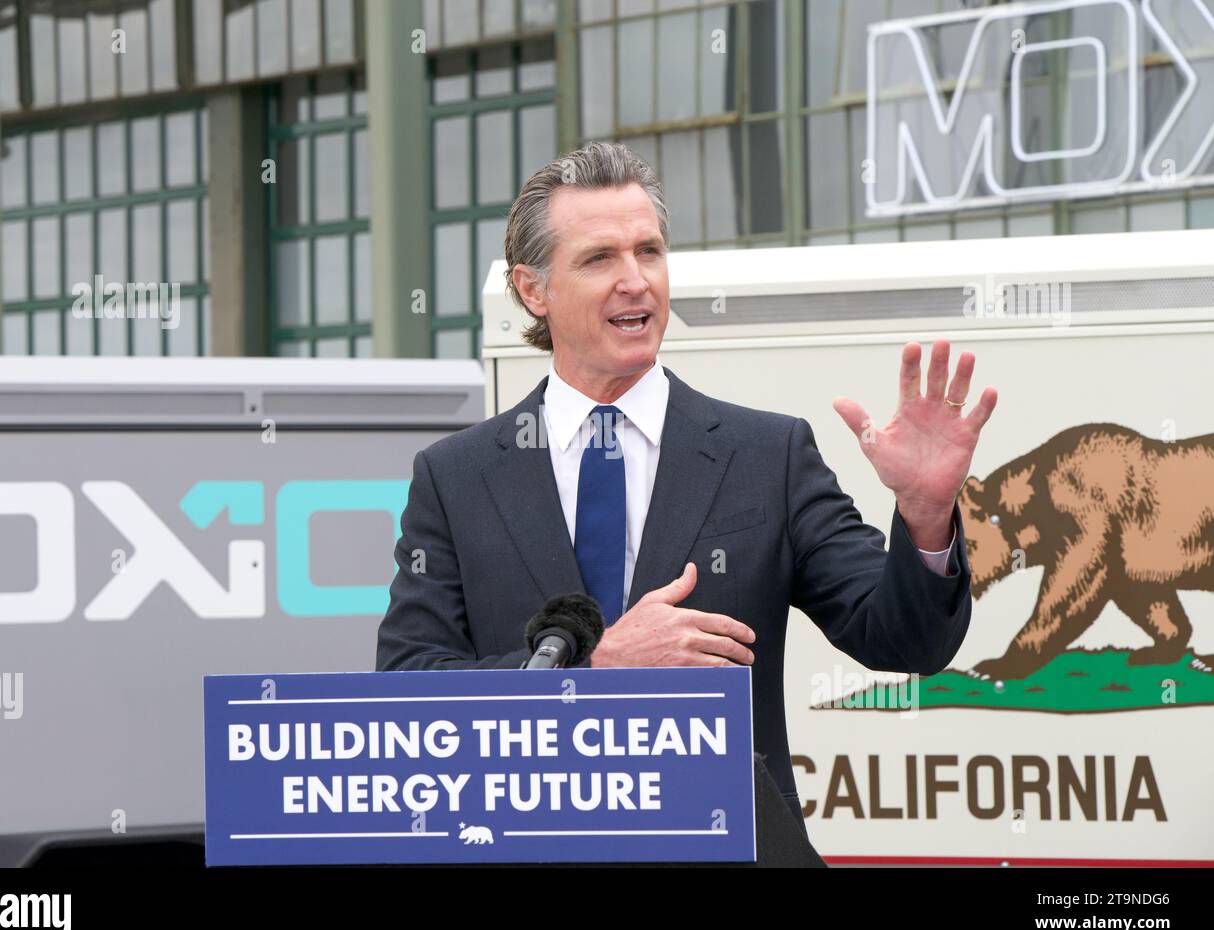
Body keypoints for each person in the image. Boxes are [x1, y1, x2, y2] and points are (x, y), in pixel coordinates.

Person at [376, 141, 997, 838]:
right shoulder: (457, 476)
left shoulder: (767, 455)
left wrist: (924, 516)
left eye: (649, 251)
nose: (636, 280)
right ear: (533, 289)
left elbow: (905, 642)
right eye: (599, 258)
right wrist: (593, 663)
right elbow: (410, 689)